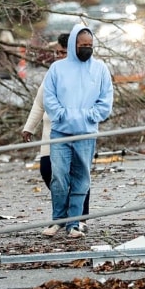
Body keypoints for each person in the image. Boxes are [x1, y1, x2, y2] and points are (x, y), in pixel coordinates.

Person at [40, 24, 113, 239]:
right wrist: (62, 115)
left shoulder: (100, 69)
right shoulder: (57, 69)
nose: (86, 49)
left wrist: (90, 117)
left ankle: (74, 224)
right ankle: (58, 220)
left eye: (90, 45)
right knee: (59, 178)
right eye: (82, 45)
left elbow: (106, 100)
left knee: (81, 179)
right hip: (61, 133)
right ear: (73, 45)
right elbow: (49, 98)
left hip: (86, 133)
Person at [21, 33, 91, 232]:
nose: (59, 56)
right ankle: (64, 214)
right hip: (50, 133)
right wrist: (29, 127)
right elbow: (39, 102)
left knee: (79, 175)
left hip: (76, 132)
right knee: (48, 171)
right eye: (57, 52)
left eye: (63, 52)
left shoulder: (84, 71)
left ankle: (80, 218)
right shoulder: (53, 72)